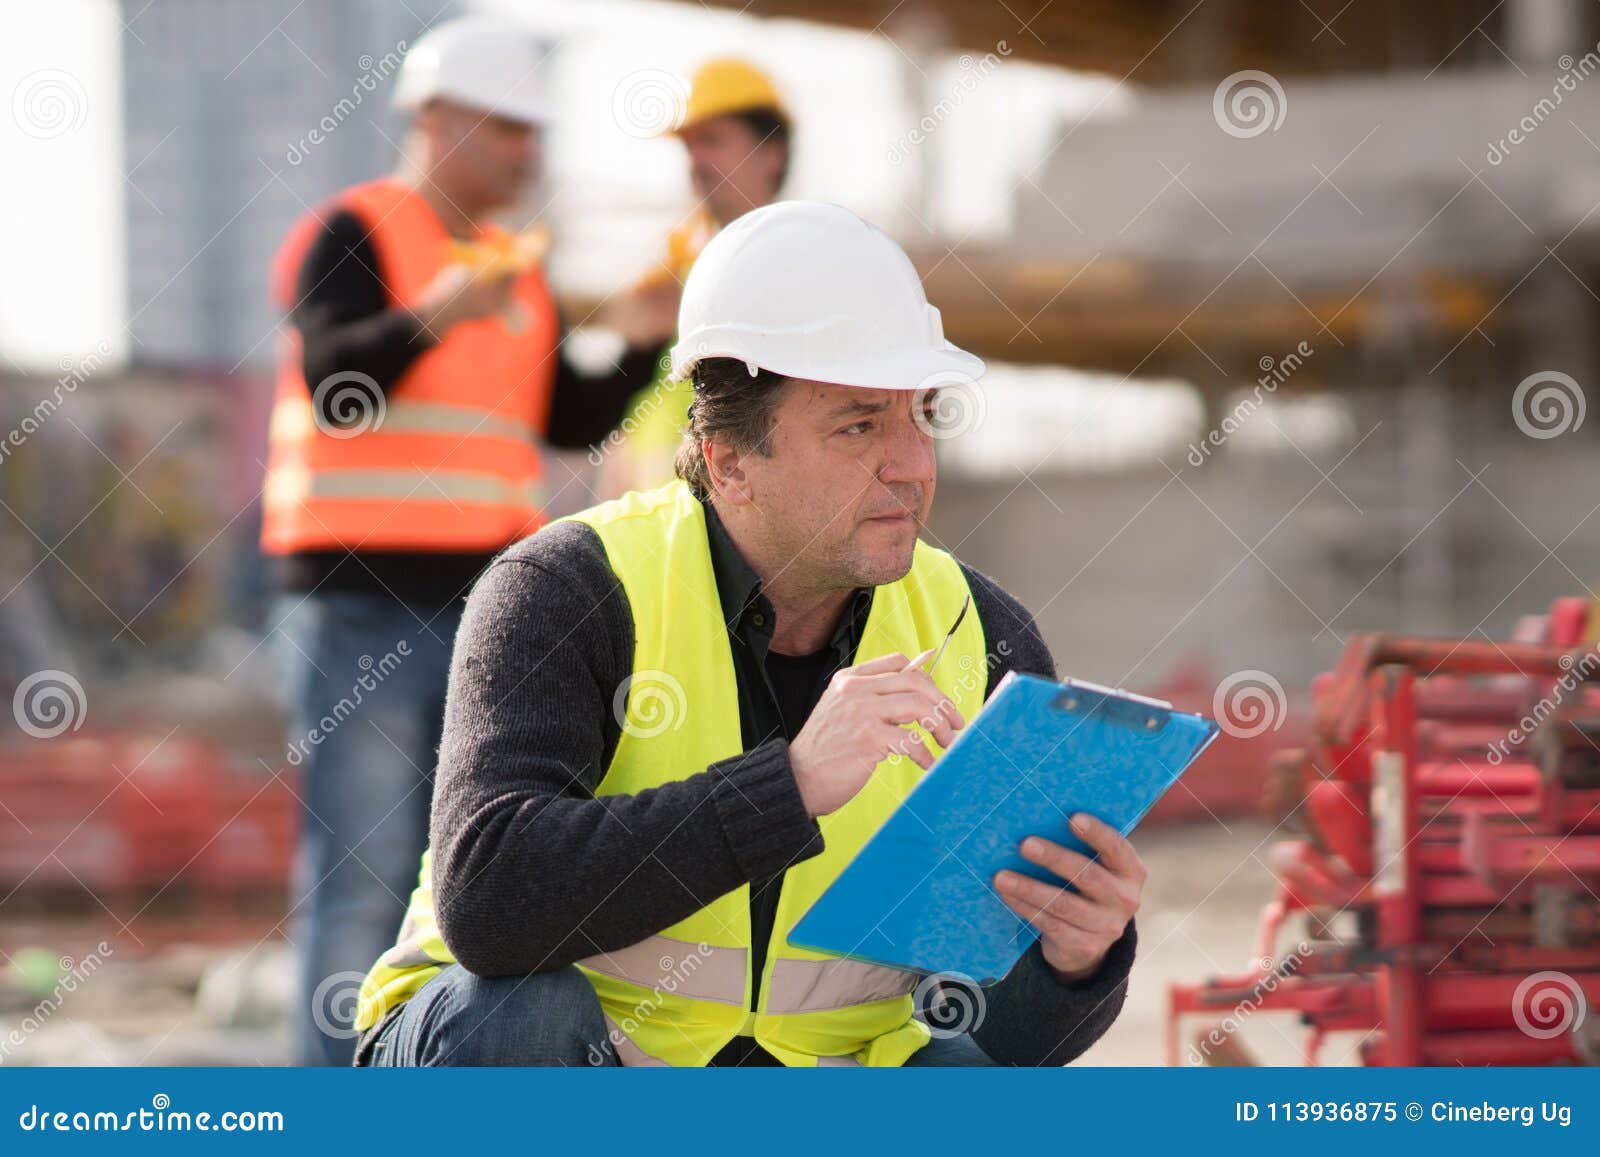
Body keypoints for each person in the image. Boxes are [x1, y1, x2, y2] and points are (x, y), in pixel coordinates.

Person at [352, 201, 1141, 1067]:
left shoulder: (979, 634)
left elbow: (994, 1037)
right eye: (858, 423)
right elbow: (490, 904)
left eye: (921, 414)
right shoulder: (567, 590)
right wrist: (790, 785)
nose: (912, 463)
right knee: (520, 1014)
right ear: (729, 457)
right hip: (587, 1068)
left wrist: (1077, 961)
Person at [261, 17, 660, 1065]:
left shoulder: (515, 275)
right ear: (434, 121)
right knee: (360, 873)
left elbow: (565, 418)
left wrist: (645, 335)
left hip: (487, 613)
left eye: (534, 134)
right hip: (360, 605)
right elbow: (333, 385)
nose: (527, 154)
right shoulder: (356, 233)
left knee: (468, 874)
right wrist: (437, 313)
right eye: (506, 129)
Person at [594, 58, 792, 499]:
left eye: (713, 140)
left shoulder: (798, 268)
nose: (696, 159)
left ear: (772, 152)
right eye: (690, 145)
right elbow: (639, 412)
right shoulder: (674, 270)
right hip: (656, 523)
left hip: (741, 523)